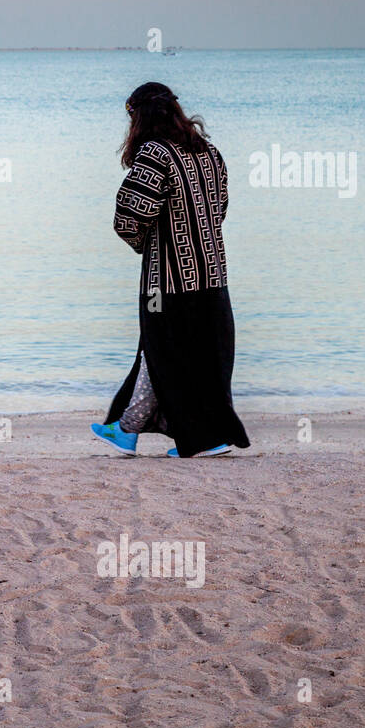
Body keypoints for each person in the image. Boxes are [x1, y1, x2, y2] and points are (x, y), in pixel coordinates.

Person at [91, 82, 251, 458]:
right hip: (212, 276)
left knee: (165, 353)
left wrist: (147, 244)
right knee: (195, 357)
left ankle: (199, 439)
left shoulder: (154, 155)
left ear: (139, 117)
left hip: (166, 282)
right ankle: (129, 427)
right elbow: (220, 208)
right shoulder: (209, 152)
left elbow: (129, 216)